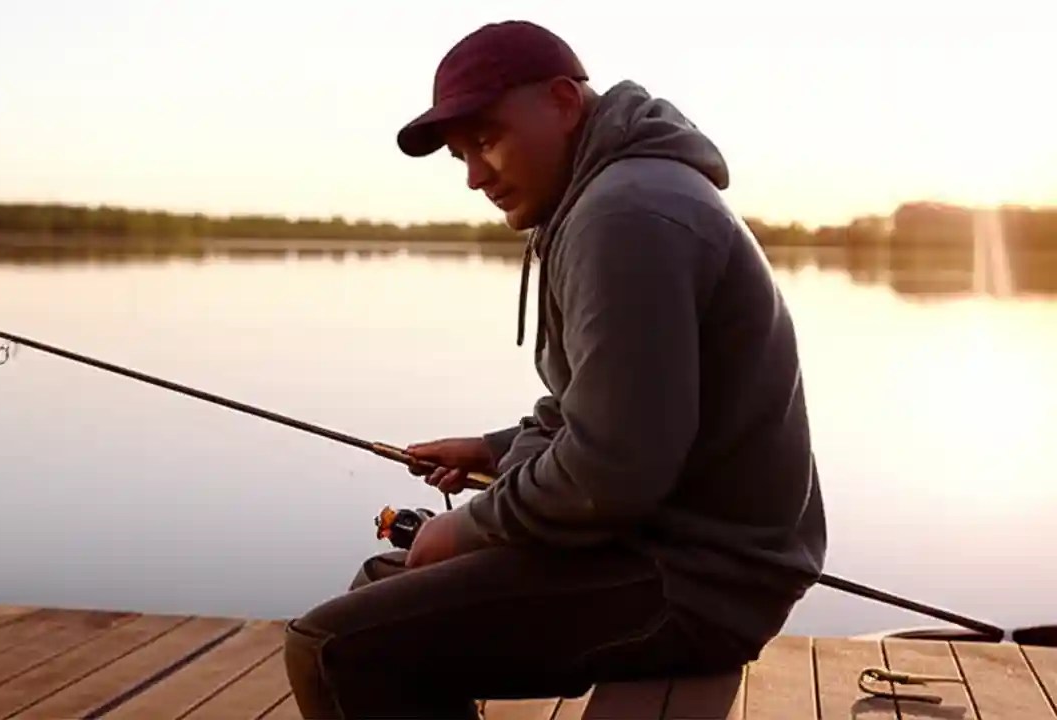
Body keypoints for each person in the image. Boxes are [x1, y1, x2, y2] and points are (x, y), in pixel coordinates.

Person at [283, 19, 826, 719]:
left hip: (697, 581)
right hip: (672, 551)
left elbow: (613, 470)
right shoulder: (616, 196)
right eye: (461, 156)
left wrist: (470, 525)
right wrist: (495, 450)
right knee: (378, 590)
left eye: (486, 141)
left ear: (564, 102)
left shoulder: (626, 215)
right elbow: (603, 410)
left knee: (333, 650)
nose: (475, 177)